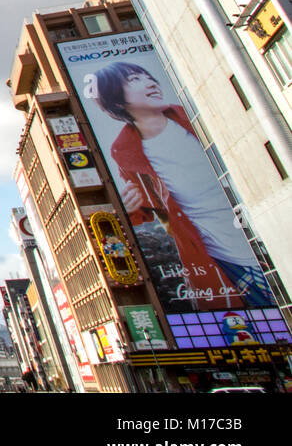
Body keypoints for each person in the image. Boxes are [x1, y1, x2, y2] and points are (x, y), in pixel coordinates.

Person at [94, 61, 273, 309]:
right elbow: (146, 213)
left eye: (147, 76)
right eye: (135, 79)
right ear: (117, 101)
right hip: (223, 263)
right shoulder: (124, 151)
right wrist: (127, 210)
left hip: (269, 232)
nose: (151, 82)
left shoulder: (192, 114)